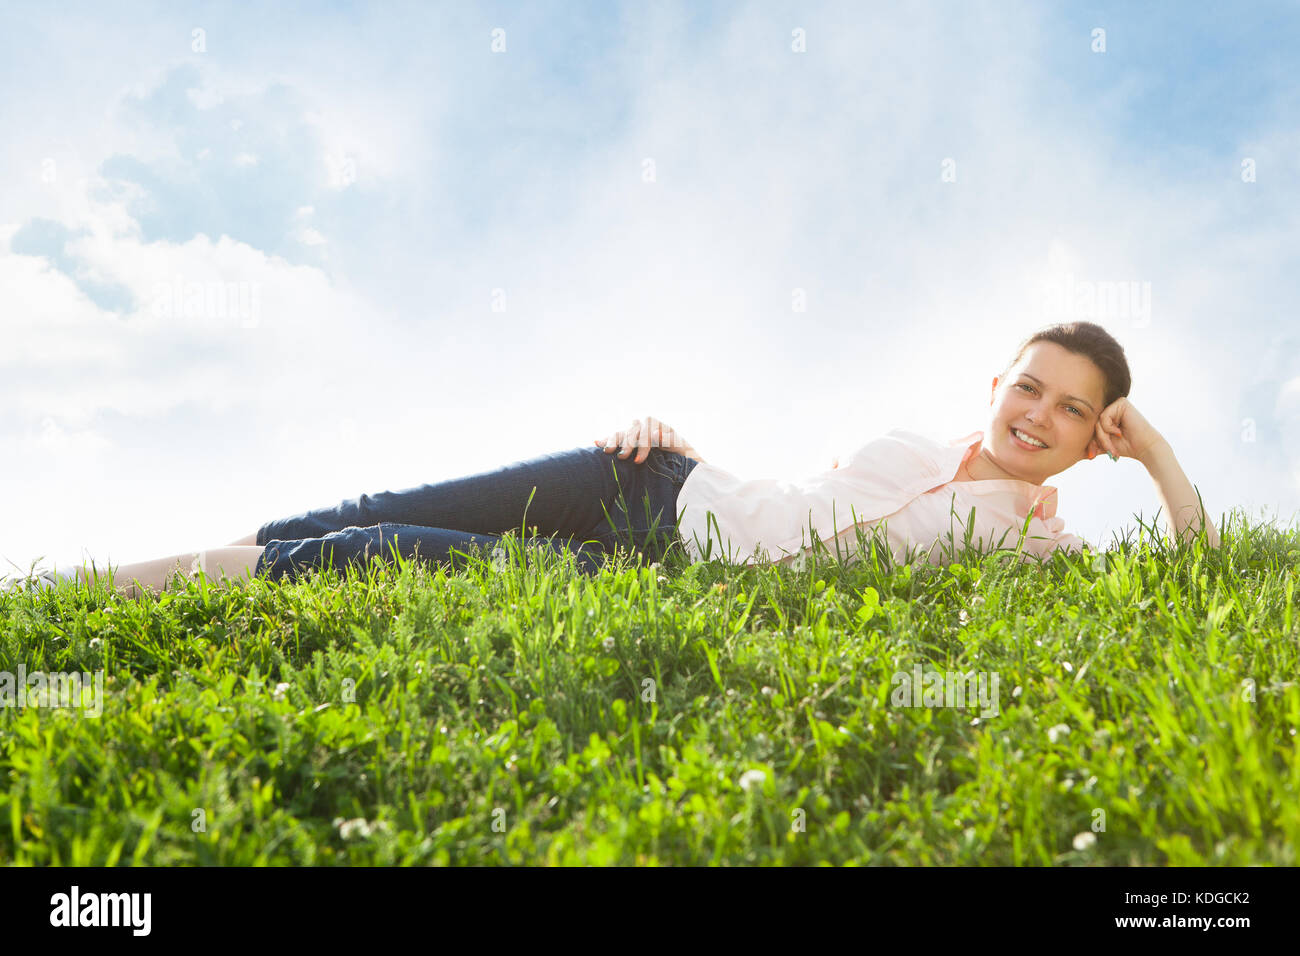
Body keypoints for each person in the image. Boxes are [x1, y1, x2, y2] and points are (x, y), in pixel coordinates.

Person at [4, 321, 1219, 600]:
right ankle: (77, 593)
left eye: (1069, 410)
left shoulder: (1035, 540)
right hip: (656, 484)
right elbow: (796, 499)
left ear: (1088, 435)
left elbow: (1194, 584)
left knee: (373, 551)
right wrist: (677, 440)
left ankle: (108, 597)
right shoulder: (908, 437)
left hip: (652, 579)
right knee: (383, 499)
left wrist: (1156, 453)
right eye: (1025, 383)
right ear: (994, 381)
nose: (1032, 413)